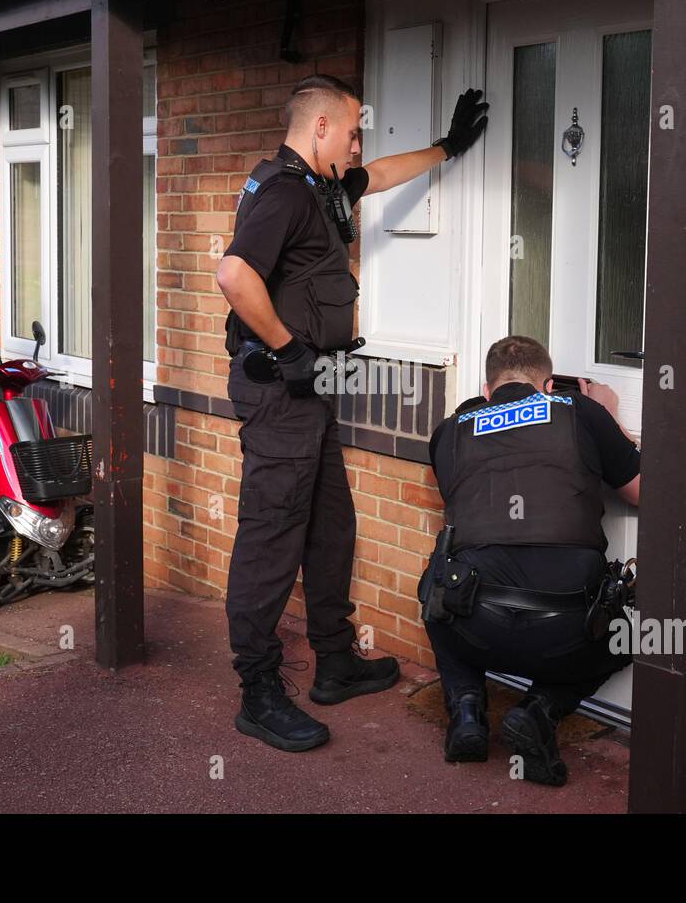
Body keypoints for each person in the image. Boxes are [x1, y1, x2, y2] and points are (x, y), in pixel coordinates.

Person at [215, 74, 489, 751]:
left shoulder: (318, 186)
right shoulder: (283, 192)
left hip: (310, 393)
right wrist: (287, 350)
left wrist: (447, 148)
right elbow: (234, 275)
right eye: (353, 128)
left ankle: (335, 660)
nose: (360, 140)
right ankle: (258, 692)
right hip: (282, 390)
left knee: (331, 527)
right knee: (271, 540)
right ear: (320, 130)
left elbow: (382, 173)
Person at [423, 335, 641, 785]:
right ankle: (539, 711)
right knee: (625, 637)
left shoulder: (455, 426)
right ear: (547, 386)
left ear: (488, 390)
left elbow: (449, 485)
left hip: (474, 621)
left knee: (439, 593)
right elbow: (644, 492)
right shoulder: (580, 413)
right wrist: (608, 418)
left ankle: (466, 712)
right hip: (565, 627)